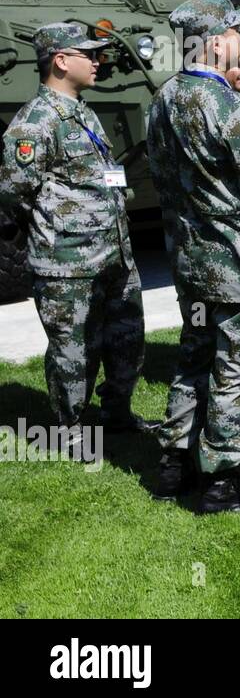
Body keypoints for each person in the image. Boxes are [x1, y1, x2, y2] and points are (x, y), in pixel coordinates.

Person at [147, 0, 240, 513]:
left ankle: (173, 463)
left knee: (194, 357)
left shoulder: (164, 96)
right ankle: (221, 480)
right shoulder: (230, 106)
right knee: (238, 367)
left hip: (190, 259)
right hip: (239, 264)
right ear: (215, 43)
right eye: (235, 31)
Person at [0, 23, 154, 450]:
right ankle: (71, 430)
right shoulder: (34, 122)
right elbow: (12, 190)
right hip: (67, 261)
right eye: (88, 54)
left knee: (127, 340)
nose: (98, 60)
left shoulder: (82, 111)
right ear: (61, 61)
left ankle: (117, 414)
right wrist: (54, 224)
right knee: (73, 351)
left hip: (114, 252)